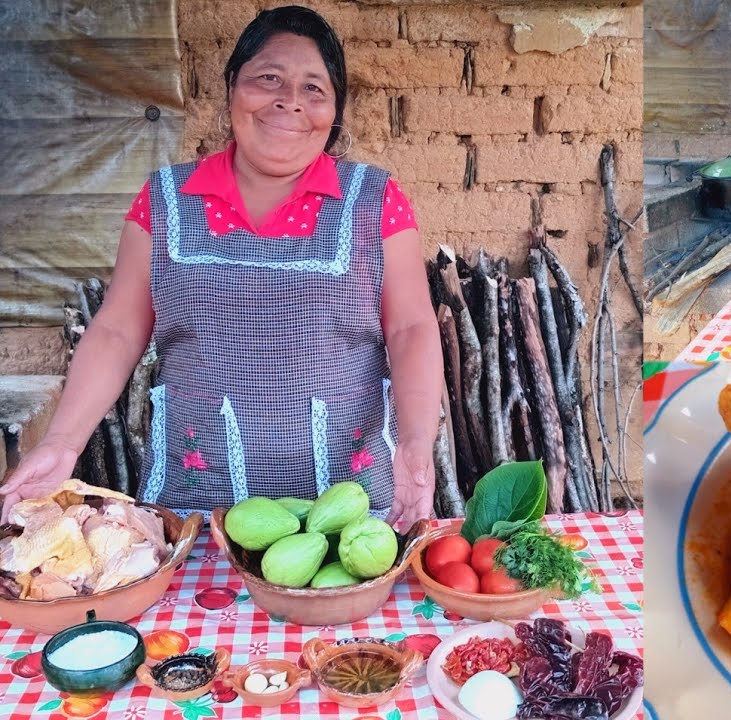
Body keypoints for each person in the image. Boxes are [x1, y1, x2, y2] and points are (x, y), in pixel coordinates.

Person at [1, 6, 443, 528]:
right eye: (268, 78)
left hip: (349, 512)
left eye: (313, 88)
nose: (289, 100)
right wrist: (61, 442)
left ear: (334, 111)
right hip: (197, 507)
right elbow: (118, 329)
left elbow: (411, 328)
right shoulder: (165, 200)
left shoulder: (374, 200)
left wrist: (416, 444)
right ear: (232, 86)